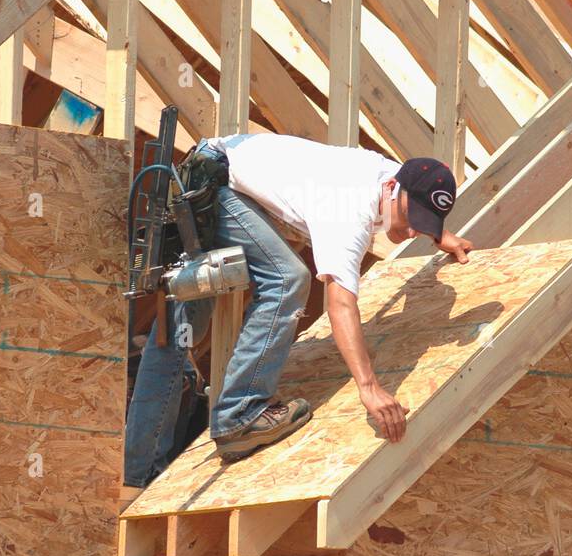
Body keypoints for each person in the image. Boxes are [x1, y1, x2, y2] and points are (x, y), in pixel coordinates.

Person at [124, 132, 473, 485]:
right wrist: (368, 386)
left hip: (224, 178)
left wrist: (438, 233)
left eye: (423, 223)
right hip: (213, 185)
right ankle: (238, 416)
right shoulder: (348, 210)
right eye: (411, 218)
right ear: (391, 189)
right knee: (285, 279)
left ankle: (140, 472)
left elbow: (414, 193)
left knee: (179, 332)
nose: (413, 230)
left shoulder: (397, 181)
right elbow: (339, 303)